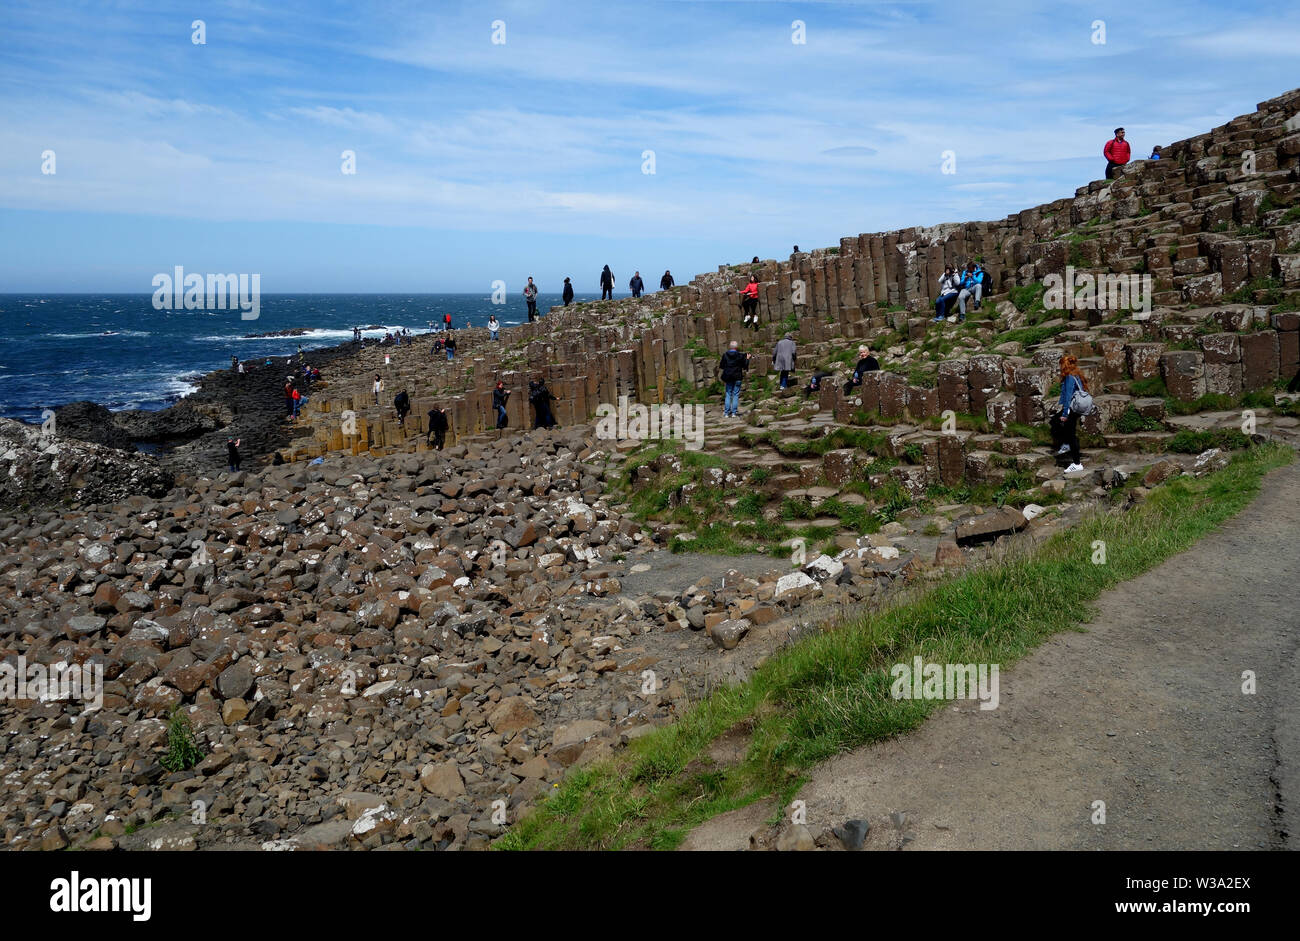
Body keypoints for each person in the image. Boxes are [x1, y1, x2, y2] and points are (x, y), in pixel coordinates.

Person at [1050, 354, 1090, 473]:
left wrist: (1065, 414)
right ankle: (1066, 443)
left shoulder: (1069, 378)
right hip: (1077, 408)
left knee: (1071, 434)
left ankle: (1077, 463)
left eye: (1061, 366)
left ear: (1064, 366)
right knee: (1061, 425)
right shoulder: (1077, 375)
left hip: (1071, 408)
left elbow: (1068, 397)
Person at [718, 340, 750, 418]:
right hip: (737, 377)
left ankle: (726, 413)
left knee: (728, 394)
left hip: (728, 377)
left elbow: (721, 366)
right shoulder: (740, 355)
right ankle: (734, 413)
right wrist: (748, 358)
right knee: (735, 395)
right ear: (736, 347)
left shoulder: (725, 355)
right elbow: (745, 366)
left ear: (730, 347)